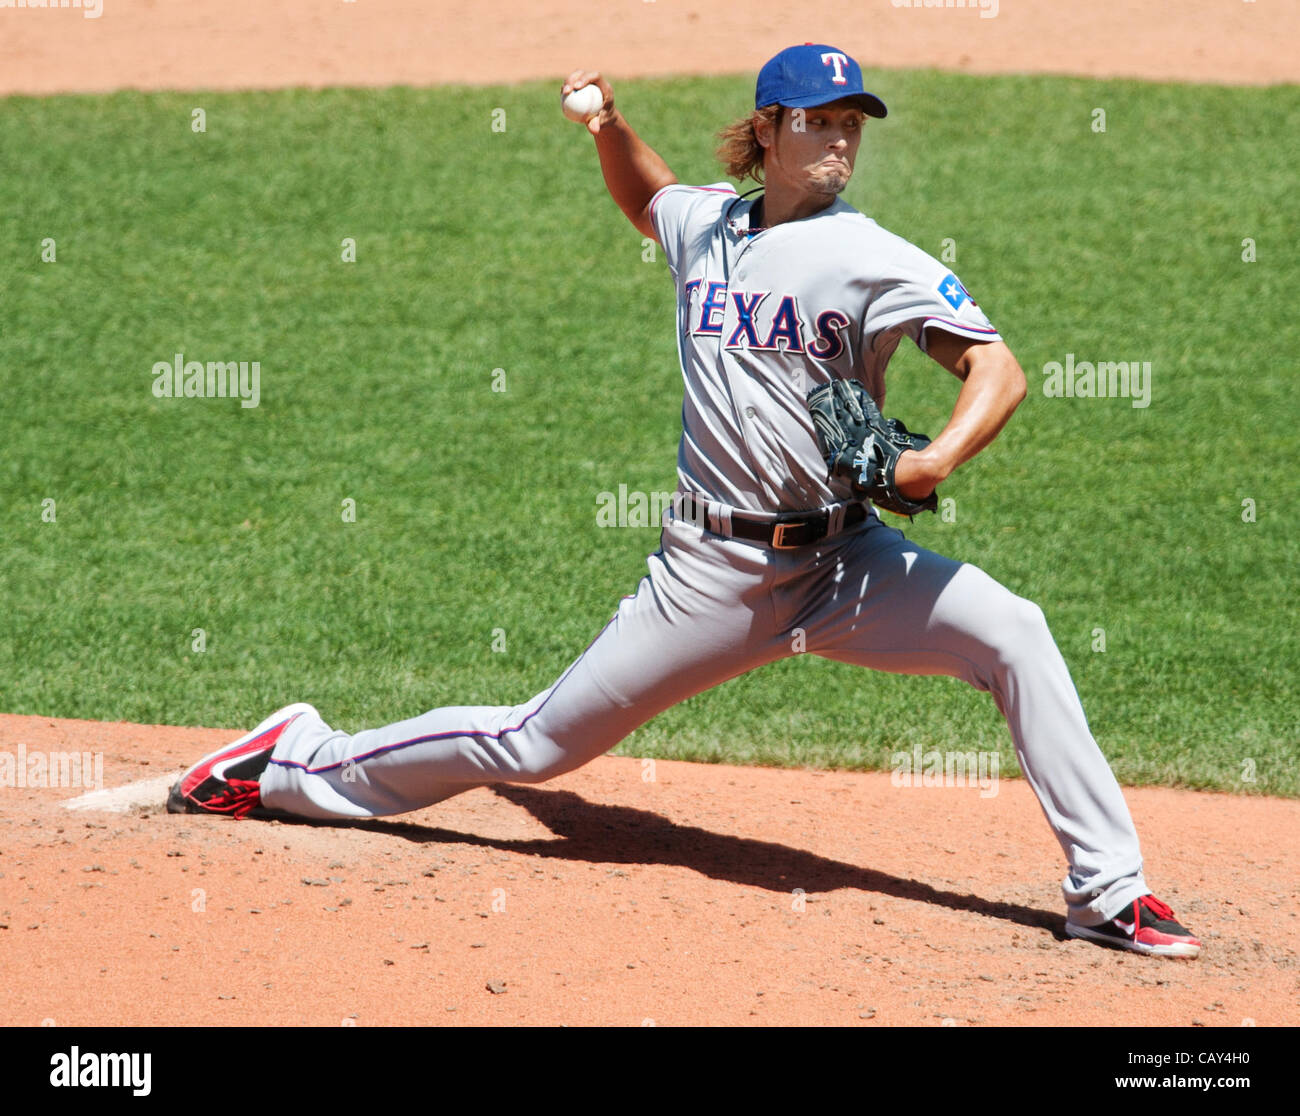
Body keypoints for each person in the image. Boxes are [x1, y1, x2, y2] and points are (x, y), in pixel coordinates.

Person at [170, 44, 1200, 959]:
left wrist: (931, 466)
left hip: (846, 564)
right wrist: (611, 128)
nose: (840, 139)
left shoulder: (871, 255)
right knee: (535, 746)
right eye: (818, 121)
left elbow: (998, 370)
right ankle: (292, 762)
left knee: (1013, 632)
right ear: (768, 131)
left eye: (851, 123)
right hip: (710, 576)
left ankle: (1108, 893)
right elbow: (647, 200)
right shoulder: (706, 227)